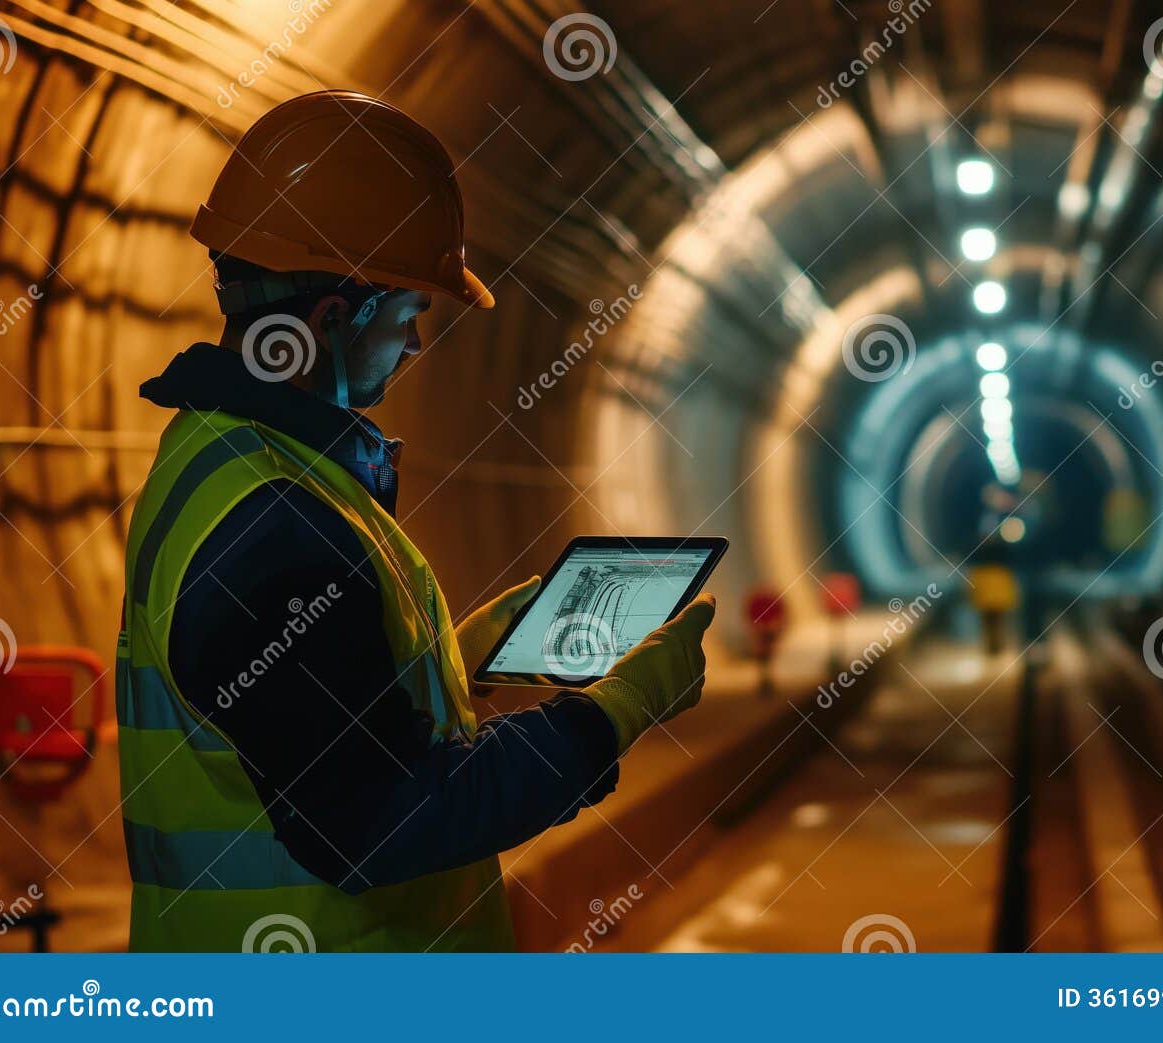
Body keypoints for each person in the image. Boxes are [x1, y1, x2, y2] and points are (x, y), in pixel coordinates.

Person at [115, 91, 714, 952]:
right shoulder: (277, 530)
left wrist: (452, 662)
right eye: (407, 317)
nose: (417, 347)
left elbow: (302, 722)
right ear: (330, 320)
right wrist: (621, 708)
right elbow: (389, 820)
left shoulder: (222, 460)